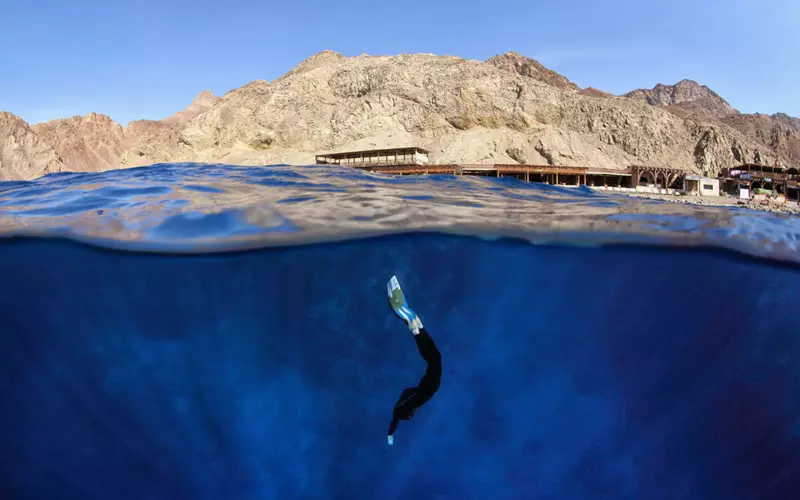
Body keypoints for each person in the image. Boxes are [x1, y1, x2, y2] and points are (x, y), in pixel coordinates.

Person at [386, 275, 442, 445]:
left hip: (432, 376)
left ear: (409, 410)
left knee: (433, 357)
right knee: (433, 356)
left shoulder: (416, 398)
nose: (415, 413)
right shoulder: (416, 397)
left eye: (411, 415)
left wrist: (390, 434)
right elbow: (396, 416)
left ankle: (412, 323)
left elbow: (397, 414)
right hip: (432, 372)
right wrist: (391, 433)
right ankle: (415, 325)